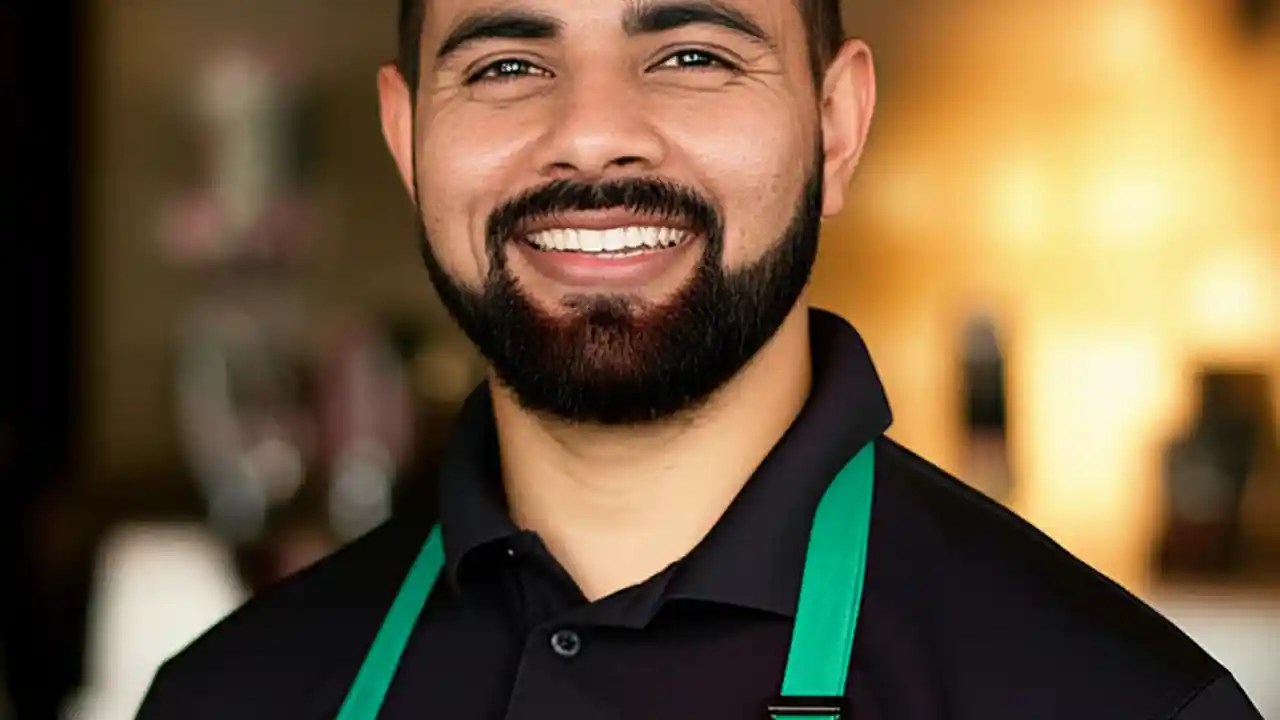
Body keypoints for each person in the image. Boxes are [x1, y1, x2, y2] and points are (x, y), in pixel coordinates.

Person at [136, 1, 1263, 717]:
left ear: (835, 126)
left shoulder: (1113, 702)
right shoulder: (225, 696)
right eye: (504, 67)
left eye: (688, 52)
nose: (587, 132)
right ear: (407, 138)